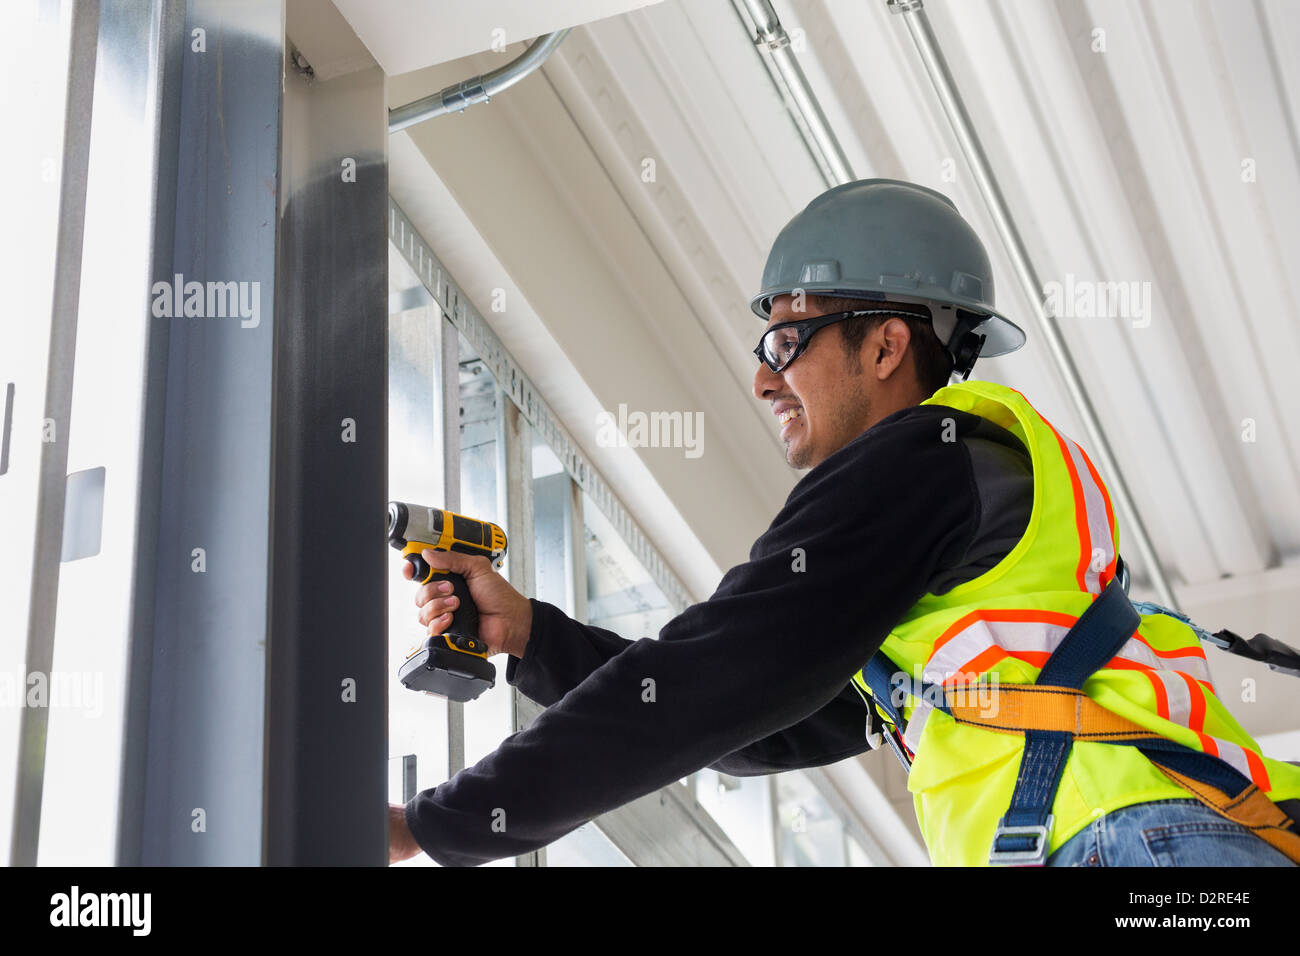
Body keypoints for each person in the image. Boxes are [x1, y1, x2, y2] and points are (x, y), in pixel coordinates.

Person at [389, 179, 1300, 867]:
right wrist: (534, 637)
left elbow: (726, 675)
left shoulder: (926, 458)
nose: (762, 377)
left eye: (787, 339)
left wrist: (434, 825)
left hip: (1133, 844)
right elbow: (758, 725)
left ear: (885, 345)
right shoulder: (963, 553)